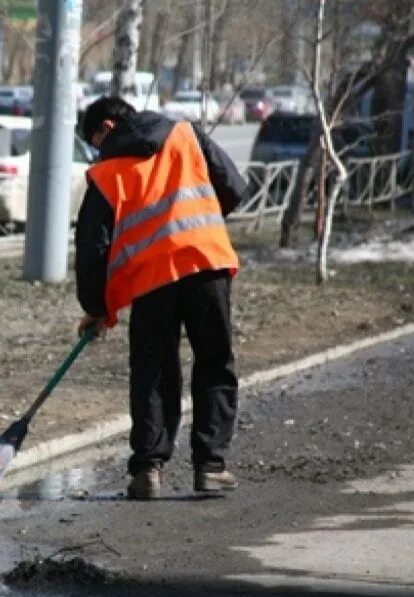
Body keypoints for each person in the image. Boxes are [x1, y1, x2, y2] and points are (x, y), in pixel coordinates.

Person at [75, 96, 248, 500]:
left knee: (153, 369)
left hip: (150, 279)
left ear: (107, 127)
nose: (97, 149)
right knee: (214, 361)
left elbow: (91, 249)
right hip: (206, 262)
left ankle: (148, 470)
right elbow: (235, 189)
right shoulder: (186, 134)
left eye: (94, 139)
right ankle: (211, 467)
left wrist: (97, 308)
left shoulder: (106, 172)